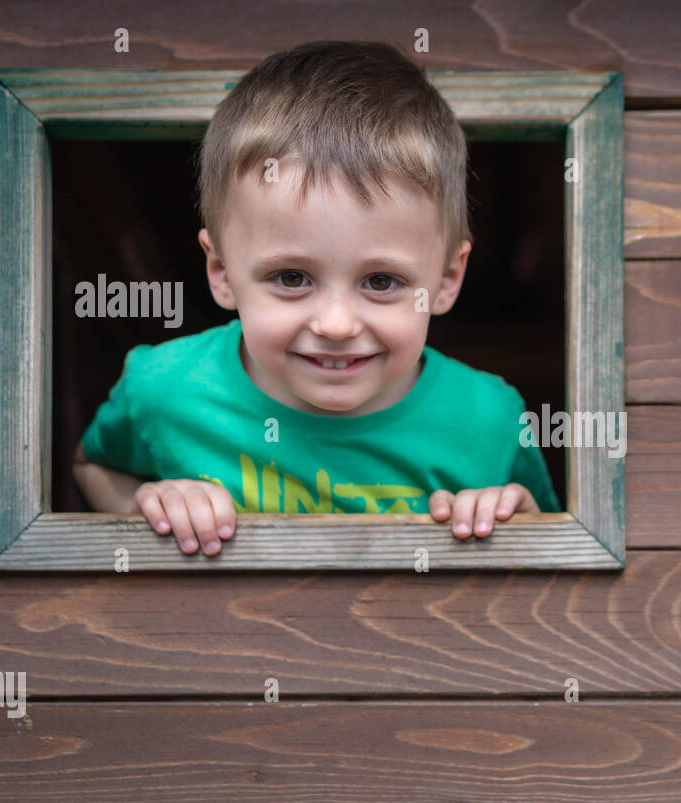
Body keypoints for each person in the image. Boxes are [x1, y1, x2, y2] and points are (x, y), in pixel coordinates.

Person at [73, 40, 560, 556]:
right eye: (290, 277)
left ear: (445, 280)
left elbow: (559, 549)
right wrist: (143, 503)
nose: (334, 324)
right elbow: (90, 465)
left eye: (381, 282)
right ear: (221, 272)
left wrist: (513, 527)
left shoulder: (490, 418)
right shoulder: (164, 388)